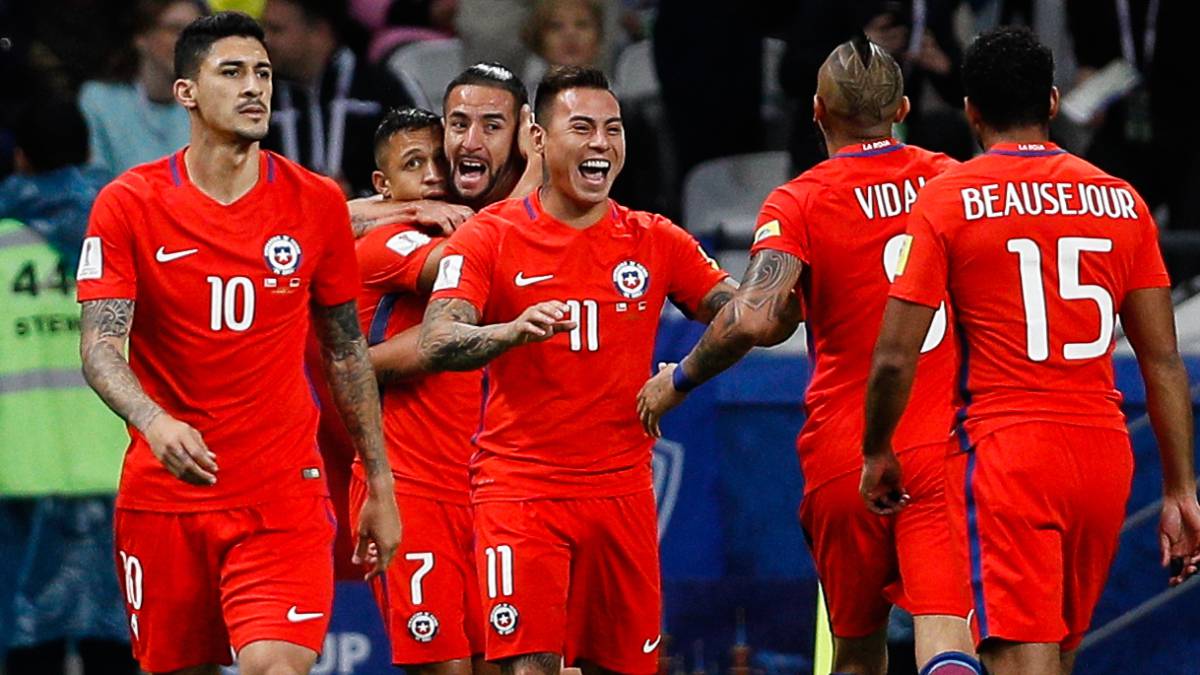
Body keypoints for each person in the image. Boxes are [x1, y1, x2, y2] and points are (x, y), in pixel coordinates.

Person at [635, 37, 980, 675]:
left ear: (817, 112)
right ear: (902, 107)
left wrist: (677, 379)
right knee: (946, 626)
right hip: (935, 442)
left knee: (854, 649)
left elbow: (753, 320)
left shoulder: (799, 200)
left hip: (843, 453)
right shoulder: (948, 179)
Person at [861, 27, 1200, 675]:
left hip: (1008, 456)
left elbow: (896, 356)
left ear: (970, 111)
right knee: (1056, 657)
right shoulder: (1121, 200)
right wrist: (1181, 488)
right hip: (1103, 458)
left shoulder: (949, 197)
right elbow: (1161, 361)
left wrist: (878, 448)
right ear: (1051, 101)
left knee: (1021, 659)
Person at [74, 13, 400, 675]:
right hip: (165, 496)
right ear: (187, 92)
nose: (255, 88)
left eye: (263, 73)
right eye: (233, 72)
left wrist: (380, 481)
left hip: (282, 495)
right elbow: (101, 345)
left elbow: (344, 351)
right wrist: (154, 420)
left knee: (274, 666)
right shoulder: (127, 203)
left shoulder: (315, 202)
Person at [417, 66, 736, 675]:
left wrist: (684, 376)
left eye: (612, 130)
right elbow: (439, 337)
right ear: (537, 139)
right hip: (522, 492)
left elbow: (743, 317)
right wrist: (508, 331)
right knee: (530, 666)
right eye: (582, 127)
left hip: (624, 496)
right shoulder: (490, 237)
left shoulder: (655, 239)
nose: (600, 144)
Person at [348, 106, 493, 675]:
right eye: (415, 165)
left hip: (478, 488)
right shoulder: (384, 245)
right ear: (385, 187)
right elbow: (458, 264)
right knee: (444, 669)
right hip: (409, 487)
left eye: (441, 160)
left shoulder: (465, 225)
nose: (434, 175)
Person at [0, 98, 134, 675]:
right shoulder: (127, 230)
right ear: (87, 153)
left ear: (21, 160)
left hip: (19, 470)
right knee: (122, 640)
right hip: (123, 462)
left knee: (27, 639)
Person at [261, 0, 414, 196]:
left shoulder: (383, 90)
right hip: (279, 222)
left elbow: (420, 166)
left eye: (277, 30)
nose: (265, 40)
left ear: (320, 32)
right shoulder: (259, 95)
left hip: (373, 220)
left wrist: (361, 196)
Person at [78, 0, 205, 179]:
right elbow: (94, 180)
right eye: (174, 30)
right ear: (141, 38)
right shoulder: (99, 101)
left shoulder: (208, 105)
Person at [520, 0, 606, 87]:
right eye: (556, 26)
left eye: (582, 25)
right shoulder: (521, 96)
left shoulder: (615, 97)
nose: (570, 34)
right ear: (539, 38)